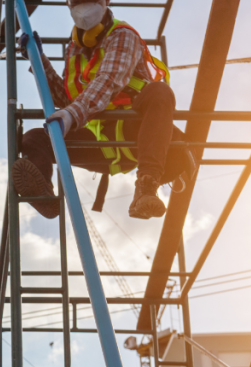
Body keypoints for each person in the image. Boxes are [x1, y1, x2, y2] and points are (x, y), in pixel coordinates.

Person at [14, 0, 194, 220]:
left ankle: (146, 186)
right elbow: (66, 98)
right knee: (34, 139)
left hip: (137, 133)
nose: (84, 5)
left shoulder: (123, 35)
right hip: (99, 141)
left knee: (160, 91)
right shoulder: (74, 50)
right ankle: (45, 198)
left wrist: (72, 115)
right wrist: (39, 62)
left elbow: (109, 81)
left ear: (106, 2)